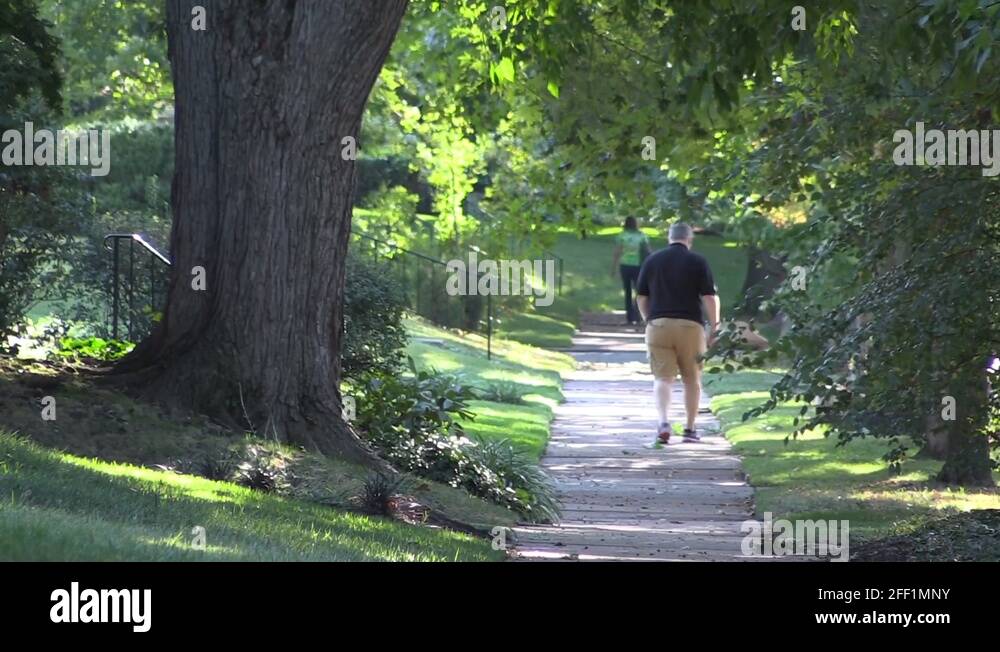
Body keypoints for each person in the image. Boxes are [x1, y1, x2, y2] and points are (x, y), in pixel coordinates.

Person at [636, 222, 720, 444]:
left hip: (658, 326)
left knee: (662, 378)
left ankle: (663, 422)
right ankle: (689, 429)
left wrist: (649, 320)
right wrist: (715, 326)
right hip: (690, 326)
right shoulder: (698, 261)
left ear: (669, 237)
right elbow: (709, 297)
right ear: (690, 240)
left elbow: (641, 296)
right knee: (692, 379)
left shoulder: (652, 260)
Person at [610, 217, 651, 325]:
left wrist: (614, 268)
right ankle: (638, 315)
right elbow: (648, 250)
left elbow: (617, 252)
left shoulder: (622, 236)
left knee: (627, 291)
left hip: (625, 265)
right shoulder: (642, 236)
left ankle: (629, 316)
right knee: (639, 291)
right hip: (638, 266)